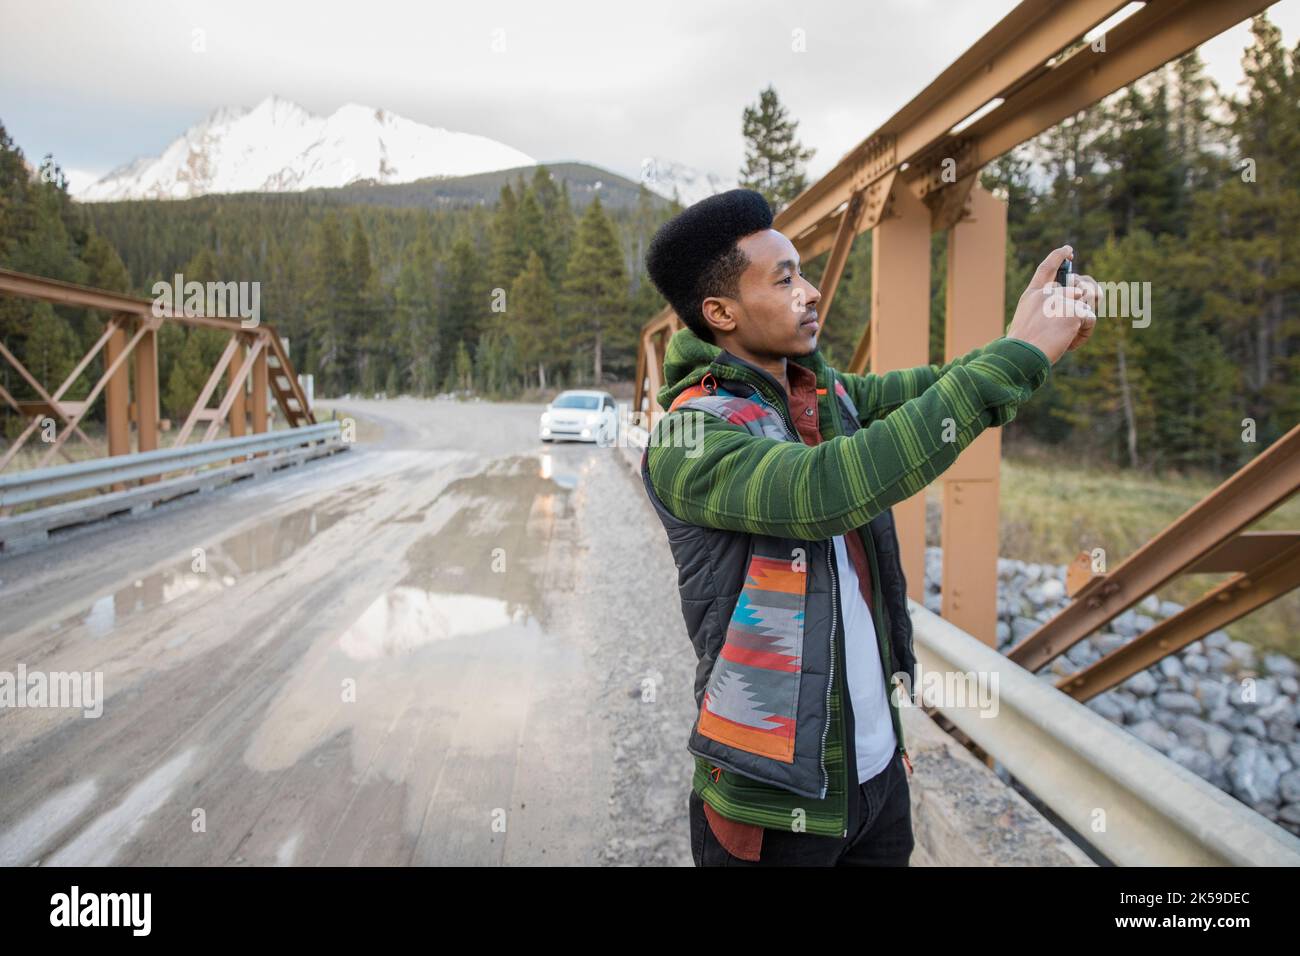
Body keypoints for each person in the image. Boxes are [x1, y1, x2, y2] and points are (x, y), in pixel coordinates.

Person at [639, 188, 1098, 866]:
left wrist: (1019, 342)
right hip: (773, 809)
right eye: (785, 278)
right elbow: (824, 490)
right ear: (721, 312)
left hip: (877, 780)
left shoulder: (825, 397)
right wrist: (1019, 356)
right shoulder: (689, 435)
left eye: (806, 271)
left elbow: (937, 390)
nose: (813, 291)